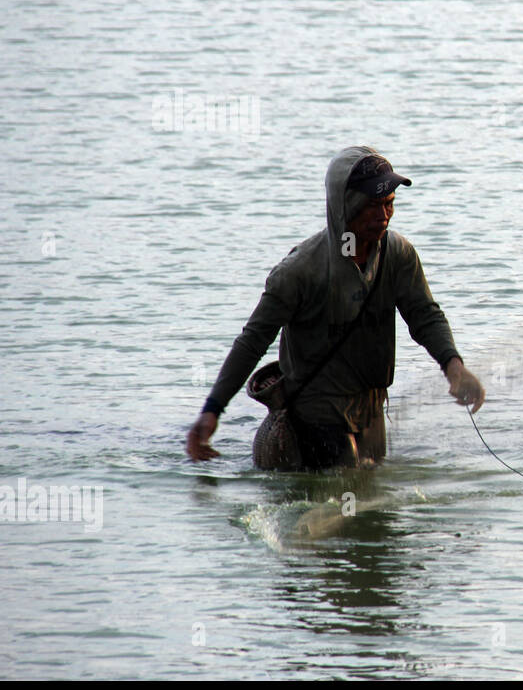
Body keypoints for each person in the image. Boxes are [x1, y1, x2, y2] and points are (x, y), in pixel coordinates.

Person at [185, 145, 485, 468]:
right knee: (344, 480)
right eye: (373, 206)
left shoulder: (398, 256)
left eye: (390, 204)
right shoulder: (300, 272)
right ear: (346, 207)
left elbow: (425, 316)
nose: (384, 216)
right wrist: (212, 409)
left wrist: (454, 367)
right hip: (316, 412)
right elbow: (253, 340)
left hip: (370, 410)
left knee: (372, 498)